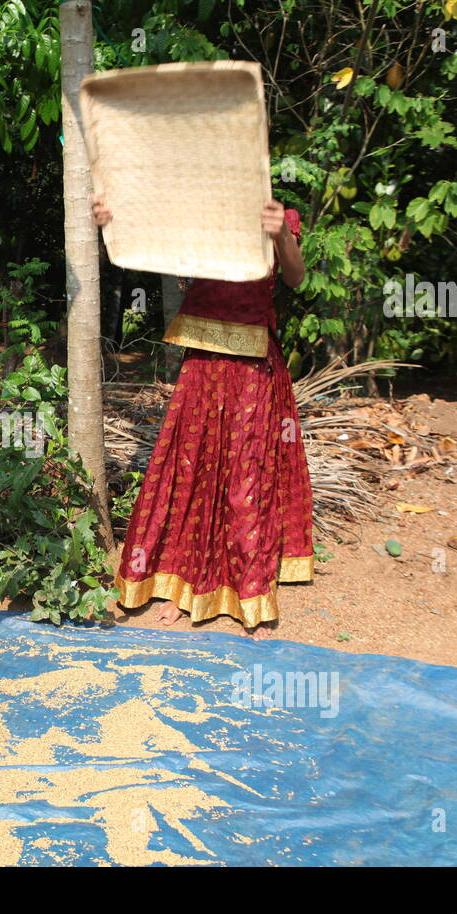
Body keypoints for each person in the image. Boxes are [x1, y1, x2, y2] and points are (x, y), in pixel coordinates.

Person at [92, 194, 313, 629]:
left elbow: (296, 277)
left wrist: (282, 236)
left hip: (252, 360)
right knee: (193, 468)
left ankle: (249, 588)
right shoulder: (197, 208)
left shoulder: (275, 211)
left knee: (246, 471)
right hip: (203, 361)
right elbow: (142, 250)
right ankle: (181, 584)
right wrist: (110, 225)